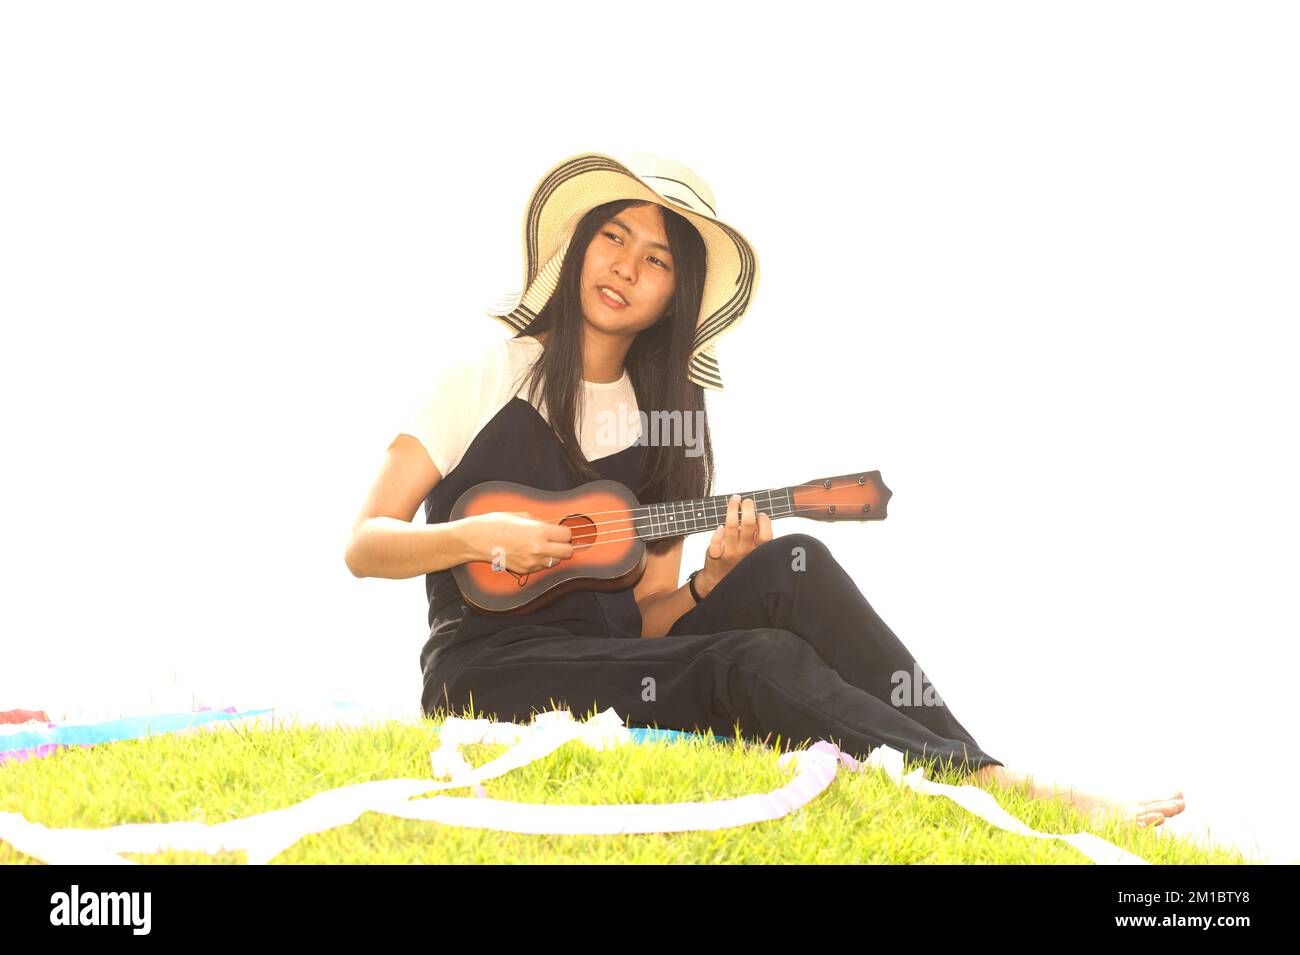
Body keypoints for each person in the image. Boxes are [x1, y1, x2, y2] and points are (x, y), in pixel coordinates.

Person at [346, 151, 1186, 829]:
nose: (625, 266)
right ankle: (1005, 784)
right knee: (754, 659)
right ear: (577, 248)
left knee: (796, 563)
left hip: (609, 661)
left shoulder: (666, 428)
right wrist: (477, 536)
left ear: (674, 297)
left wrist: (713, 579)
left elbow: (643, 622)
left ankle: (987, 772)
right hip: (487, 671)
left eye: (656, 259)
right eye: (613, 237)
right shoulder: (486, 374)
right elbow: (365, 542)